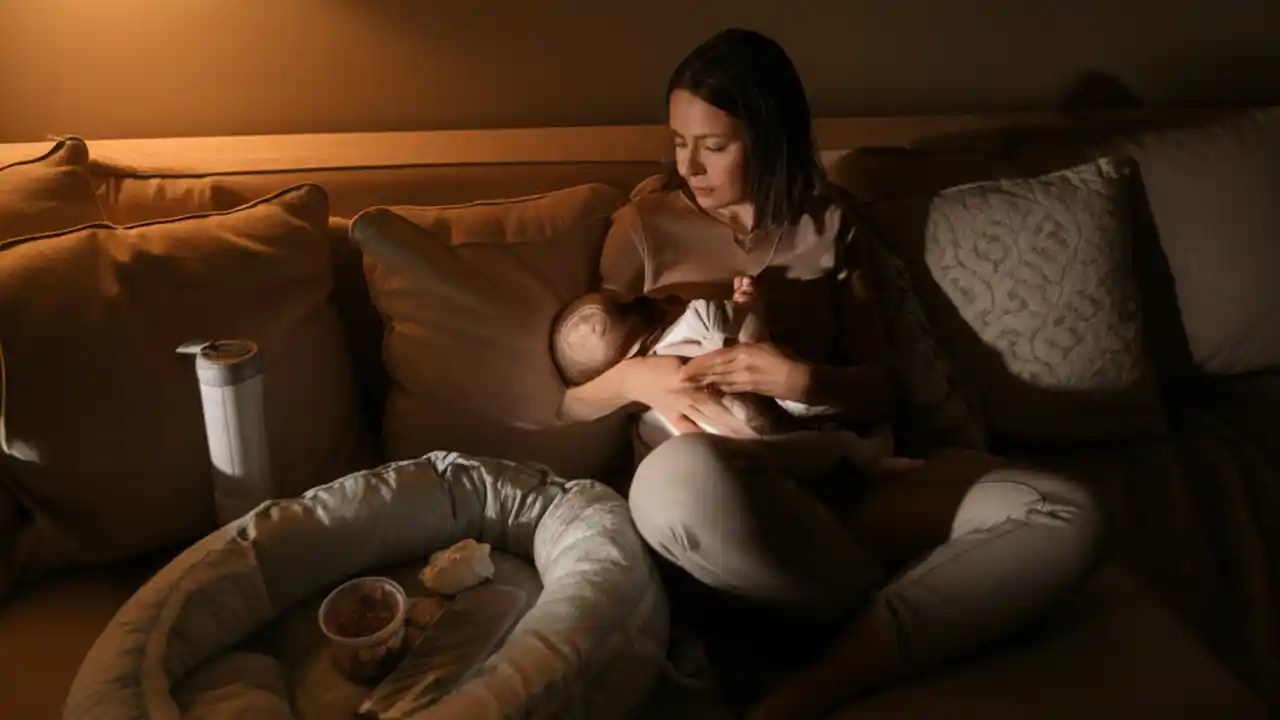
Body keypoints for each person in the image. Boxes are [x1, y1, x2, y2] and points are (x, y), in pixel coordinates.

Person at [555, 28, 1103, 719]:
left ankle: (819, 671)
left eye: (714, 145)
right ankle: (902, 615)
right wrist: (638, 381)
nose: (689, 165)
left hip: (846, 489)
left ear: (770, 138)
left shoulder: (831, 222)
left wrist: (797, 380)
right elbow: (573, 400)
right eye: (679, 141)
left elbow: (879, 389)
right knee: (676, 477)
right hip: (729, 498)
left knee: (1066, 511)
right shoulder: (642, 229)